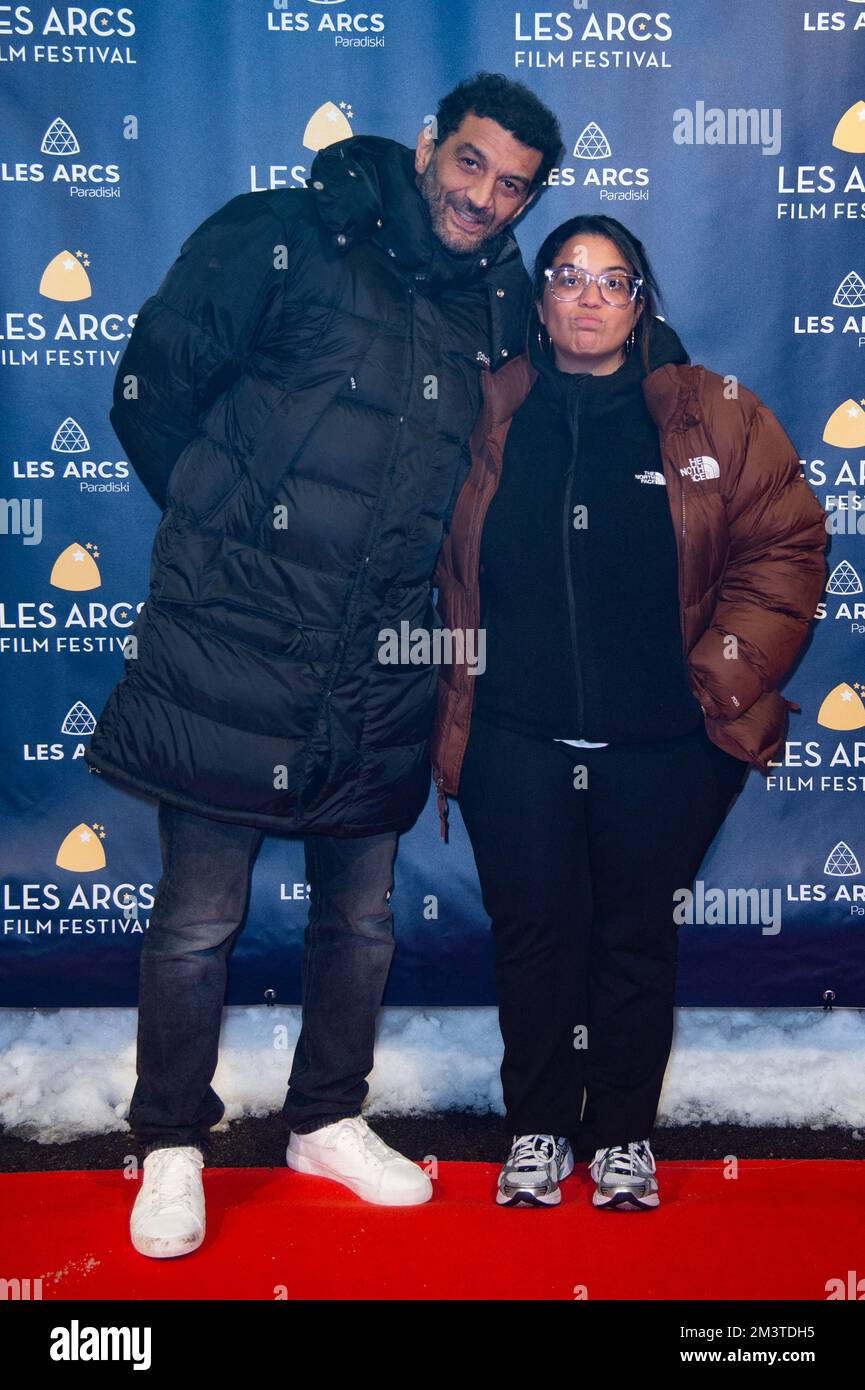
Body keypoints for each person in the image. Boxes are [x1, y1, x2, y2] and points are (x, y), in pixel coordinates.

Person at [84, 73, 563, 1256]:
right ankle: (169, 1140)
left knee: (359, 919)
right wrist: (226, 528)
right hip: (234, 638)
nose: (484, 200)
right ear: (427, 145)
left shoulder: (491, 297)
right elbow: (150, 386)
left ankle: (325, 1117)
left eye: (512, 187)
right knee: (198, 916)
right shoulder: (281, 235)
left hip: (383, 659)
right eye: (470, 166)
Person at [430, 214, 827, 1212]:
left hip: (663, 745)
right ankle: (535, 1127)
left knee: (634, 936)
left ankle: (620, 1135)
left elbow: (785, 541)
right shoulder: (487, 411)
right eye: (569, 276)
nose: (591, 297)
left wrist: (719, 683)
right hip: (512, 738)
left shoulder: (710, 411)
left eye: (614, 281)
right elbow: (422, 549)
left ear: (641, 301)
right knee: (533, 933)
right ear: (541, 299)